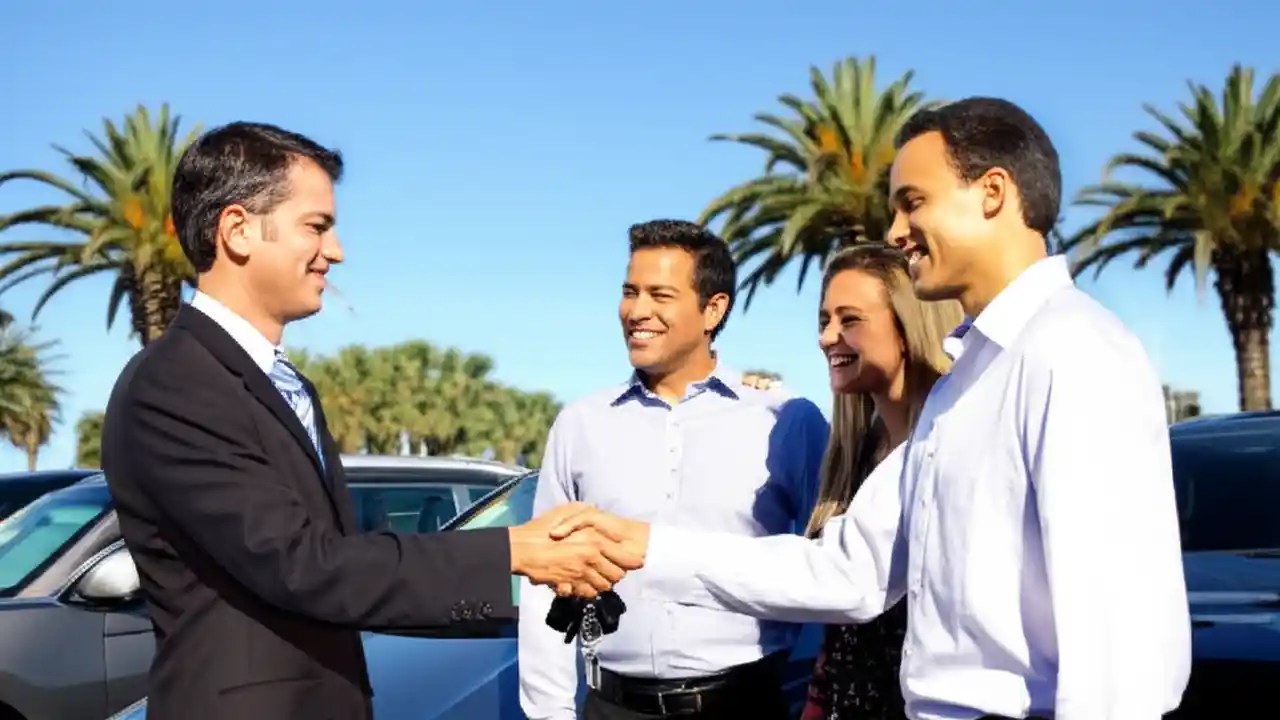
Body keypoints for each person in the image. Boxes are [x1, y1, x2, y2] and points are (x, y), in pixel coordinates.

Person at [548, 98, 1192, 720]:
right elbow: (849, 572)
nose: (896, 233)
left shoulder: (1072, 351)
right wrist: (643, 545)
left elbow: (1118, 638)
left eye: (913, 203)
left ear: (993, 192)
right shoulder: (964, 385)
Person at [100, 121, 639, 720]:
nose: (336, 251)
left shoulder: (286, 384)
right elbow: (303, 566)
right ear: (238, 229)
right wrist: (514, 551)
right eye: (317, 227)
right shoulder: (175, 383)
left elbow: (343, 562)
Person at [518, 219, 830, 720]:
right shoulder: (580, 424)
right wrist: (549, 711)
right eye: (629, 291)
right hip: (611, 706)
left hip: (744, 705)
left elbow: (833, 569)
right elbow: (544, 582)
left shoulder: (786, 420)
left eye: (660, 295)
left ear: (713, 309)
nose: (637, 311)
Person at [795, 244, 961, 720]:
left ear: (909, 327)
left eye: (850, 320)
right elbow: (839, 633)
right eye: (825, 320)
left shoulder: (954, 448)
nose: (828, 337)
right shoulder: (855, 455)